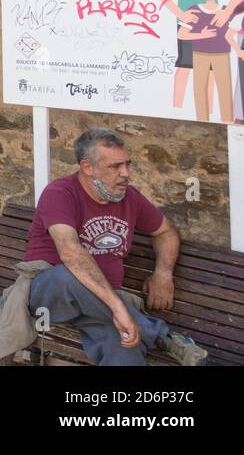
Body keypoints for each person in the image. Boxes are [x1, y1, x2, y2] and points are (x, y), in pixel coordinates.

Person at [24, 128, 205, 365]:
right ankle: (161, 335)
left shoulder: (129, 197)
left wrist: (162, 273)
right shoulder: (60, 193)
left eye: (127, 164)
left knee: (126, 349)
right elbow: (70, 252)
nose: (126, 173)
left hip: (102, 308)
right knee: (66, 277)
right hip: (52, 299)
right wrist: (118, 306)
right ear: (88, 167)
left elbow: (166, 231)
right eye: (115, 166)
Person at [159, 0, 240, 110]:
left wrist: (226, 14)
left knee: (210, 69)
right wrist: (182, 15)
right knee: (184, 65)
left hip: (214, 22)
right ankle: (176, 109)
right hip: (188, 22)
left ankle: (209, 111)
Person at [179, 0, 233, 122]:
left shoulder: (226, 10)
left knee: (225, 88)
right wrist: (202, 35)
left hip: (222, 54)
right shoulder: (194, 10)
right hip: (200, 54)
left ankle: (228, 120)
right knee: (200, 88)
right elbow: (182, 34)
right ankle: (202, 120)